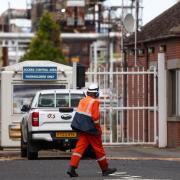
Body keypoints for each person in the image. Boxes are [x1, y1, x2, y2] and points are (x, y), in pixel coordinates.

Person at [67, 83, 117, 177]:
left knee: (79, 148)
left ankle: (72, 168)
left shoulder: (82, 100)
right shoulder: (95, 102)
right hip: (91, 130)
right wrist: (98, 130)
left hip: (82, 128)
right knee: (98, 149)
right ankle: (105, 169)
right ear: (96, 93)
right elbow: (95, 118)